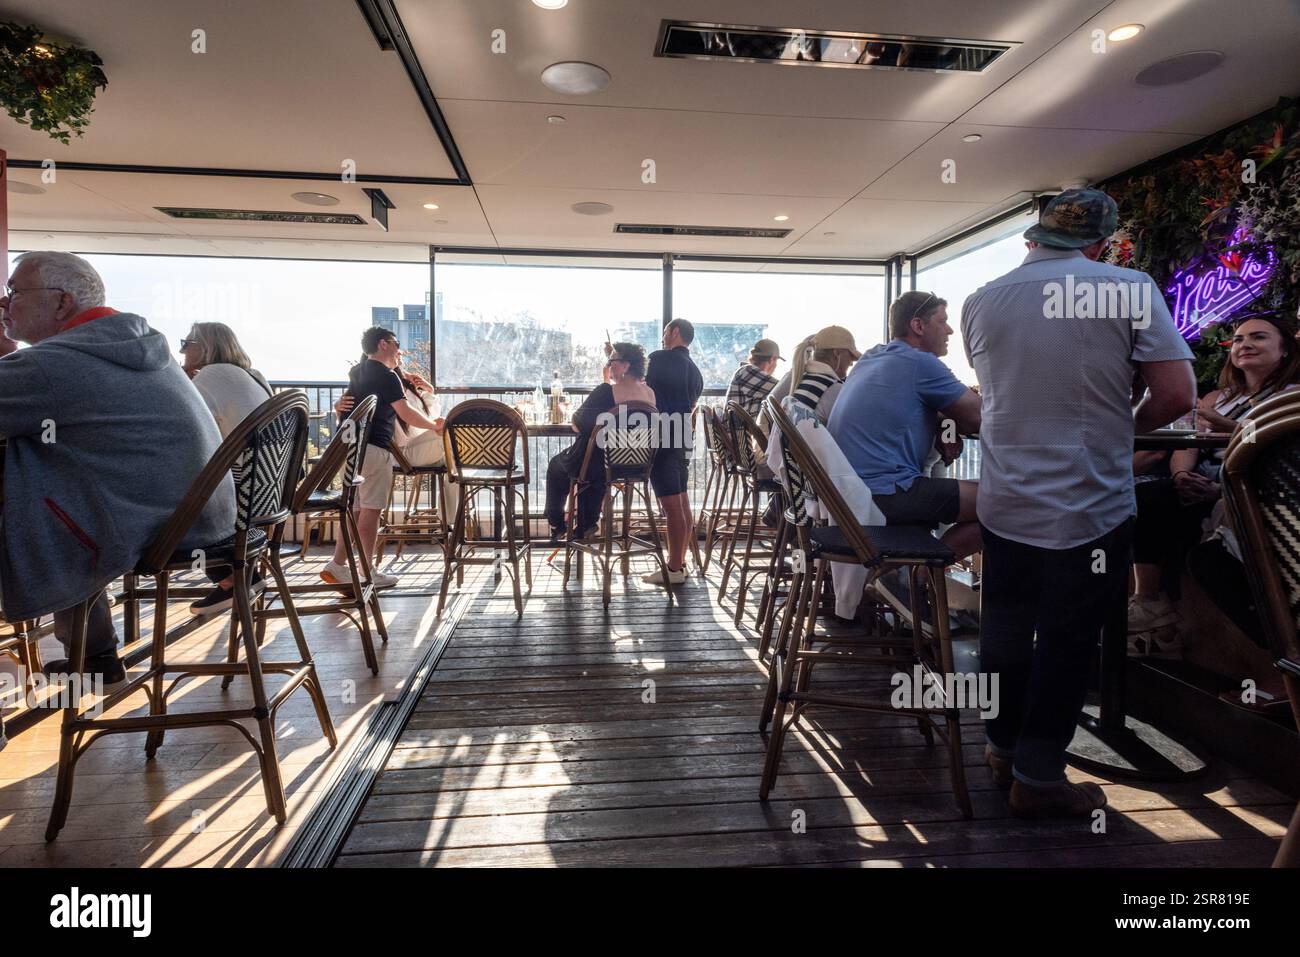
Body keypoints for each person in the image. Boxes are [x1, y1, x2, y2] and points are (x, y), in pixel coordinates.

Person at [961, 188, 1195, 819]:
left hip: (1006, 500)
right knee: (1066, 640)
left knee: (1004, 634)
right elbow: (1175, 395)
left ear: (1032, 239)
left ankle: (1002, 748)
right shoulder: (1126, 287)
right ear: (1102, 243)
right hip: (1085, 503)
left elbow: (997, 389)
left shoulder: (980, 301)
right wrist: (1120, 430)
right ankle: (1037, 778)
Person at [0, 252, 236, 683]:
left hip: (154, 525)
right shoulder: (138, 344)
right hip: (201, 516)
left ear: (61, 302)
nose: (4, 303)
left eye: (14, 293)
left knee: (42, 505)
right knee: (60, 489)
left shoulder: (51, 364)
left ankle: (73, 660)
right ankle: (93, 657)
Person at [1130, 315, 1300, 649]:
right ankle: (1150, 606)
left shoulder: (1291, 397)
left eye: (1259, 337)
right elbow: (1185, 441)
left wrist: (1224, 432)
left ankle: (1157, 619)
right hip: (1205, 481)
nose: (1245, 344)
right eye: (1238, 339)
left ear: (1284, 351)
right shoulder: (1216, 397)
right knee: (1148, 494)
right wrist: (1181, 475)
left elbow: (1278, 451)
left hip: (1255, 488)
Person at [829, 291, 982, 563]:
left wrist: (943, 421)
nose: (949, 330)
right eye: (942, 321)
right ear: (918, 326)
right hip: (886, 493)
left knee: (995, 499)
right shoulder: (920, 363)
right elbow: (978, 416)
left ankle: (907, 580)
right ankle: (922, 576)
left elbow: (900, 405)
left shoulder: (872, 358)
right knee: (1008, 503)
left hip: (851, 493)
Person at [319, 328, 445, 590]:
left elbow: (351, 406)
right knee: (371, 510)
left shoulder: (358, 372)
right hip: (373, 448)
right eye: (397, 344)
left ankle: (337, 564)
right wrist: (434, 426)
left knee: (354, 508)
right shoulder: (387, 376)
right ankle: (368, 571)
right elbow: (406, 412)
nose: (400, 350)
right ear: (383, 344)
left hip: (348, 447)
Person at [177, 322, 276, 616]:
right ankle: (238, 576)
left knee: (158, 503)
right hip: (267, 493)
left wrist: (182, 384)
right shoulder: (255, 377)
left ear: (204, 346)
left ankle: (233, 579)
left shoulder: (212, 375)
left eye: (186, 342)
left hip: (238, 498)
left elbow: (188, 431)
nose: (182, 349)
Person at [544, 343, 656, 542]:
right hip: (637, 466)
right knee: (594, 465)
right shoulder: (649, 394)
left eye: (611, 361)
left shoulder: (606, 392)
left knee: (559, 465)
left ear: (626, 365)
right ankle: (587, 522)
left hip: (600, 466)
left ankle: (557, 524)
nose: (608, 365)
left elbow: (578, 425)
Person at [641, 319, 703, 586]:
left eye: (665, 331)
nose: (663, 336)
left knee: (671, 505)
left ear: (674, 332)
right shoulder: (695, 370)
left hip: (662, 435)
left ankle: (674, 568)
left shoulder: (660, 359)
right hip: (681, 435)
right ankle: (681, 561)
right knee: (681, 501)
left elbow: (641, 389)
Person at [766, 326, 859, 426]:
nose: (851, 364)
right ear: (837, 354)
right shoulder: (833, 389)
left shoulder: (801, 379)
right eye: (850, 357)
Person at [725, 338, 781, 416]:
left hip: (741, 426)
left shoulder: (745, 372)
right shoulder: (748, 371)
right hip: (741, 427)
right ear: (772, 359)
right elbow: (782, 389)